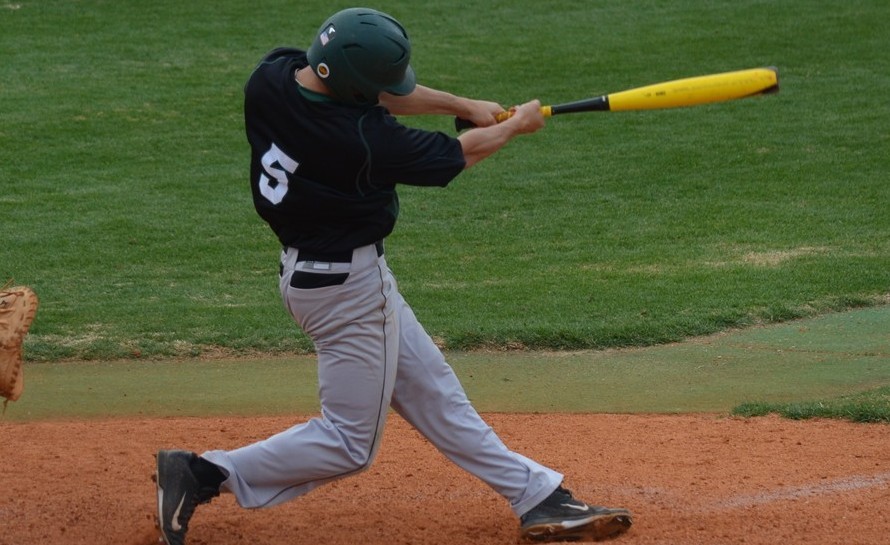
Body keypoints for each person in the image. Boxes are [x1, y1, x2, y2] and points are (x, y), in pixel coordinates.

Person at [154, 7, 632, 544]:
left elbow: (375, 93)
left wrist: (461, 104)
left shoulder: (273, 77)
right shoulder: (360, 142)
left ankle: (538, 496)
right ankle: (202, 473)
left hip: (315, 276)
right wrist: (517, 125)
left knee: (434, 393)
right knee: (349, 445)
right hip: (349, 293)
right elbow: (457, 153)